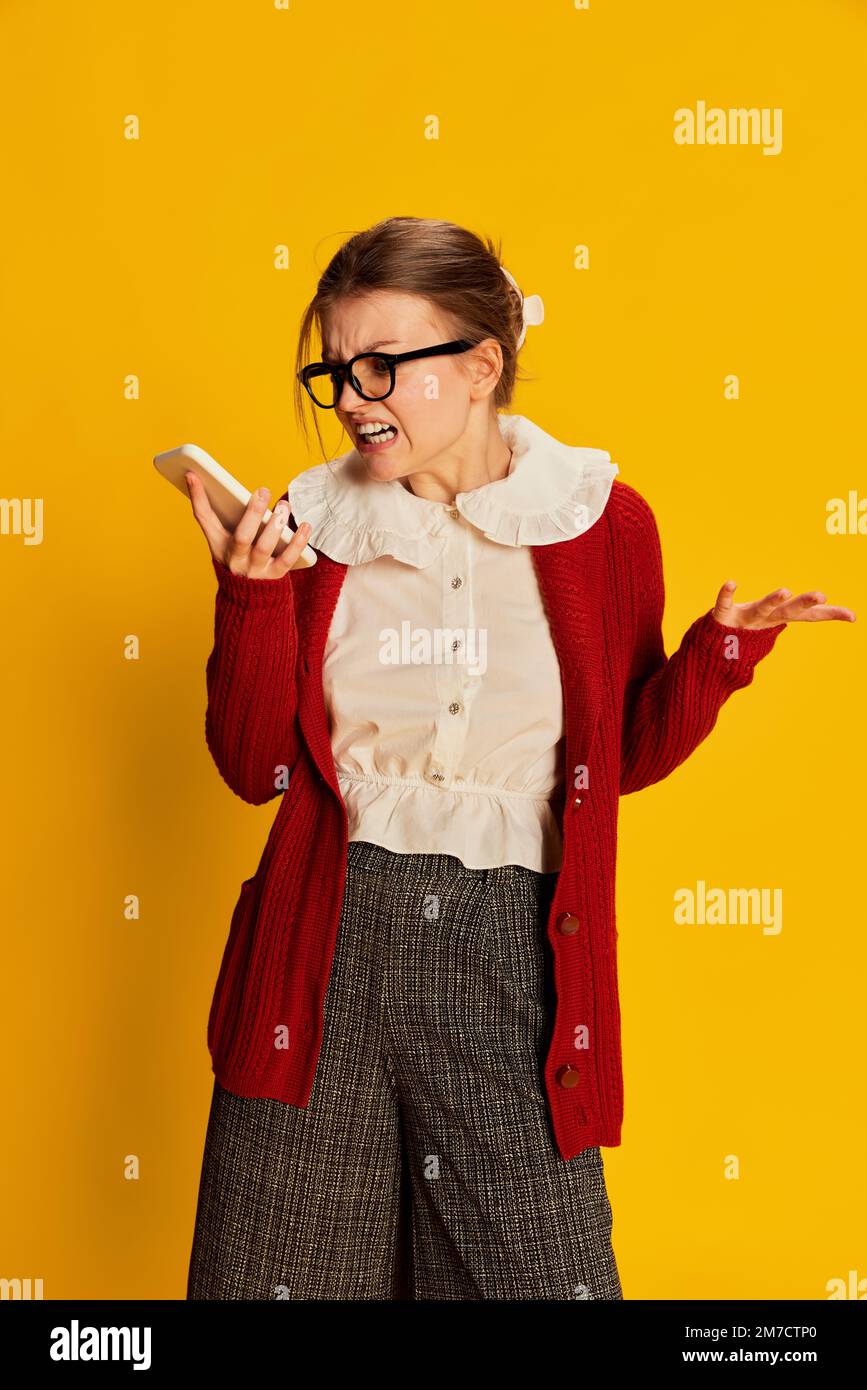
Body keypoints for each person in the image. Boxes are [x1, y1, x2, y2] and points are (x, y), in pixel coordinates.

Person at [183, 216, 855, 1301]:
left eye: (384, 365)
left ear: (483, 363)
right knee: (282, 1277)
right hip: (319, 945)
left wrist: (717, 659)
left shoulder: (603, 524)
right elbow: (253, 764)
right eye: (336, 370)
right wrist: (253, 598)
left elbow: (617, 756)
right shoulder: (309, 529)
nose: (355, 398)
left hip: (514, 955)